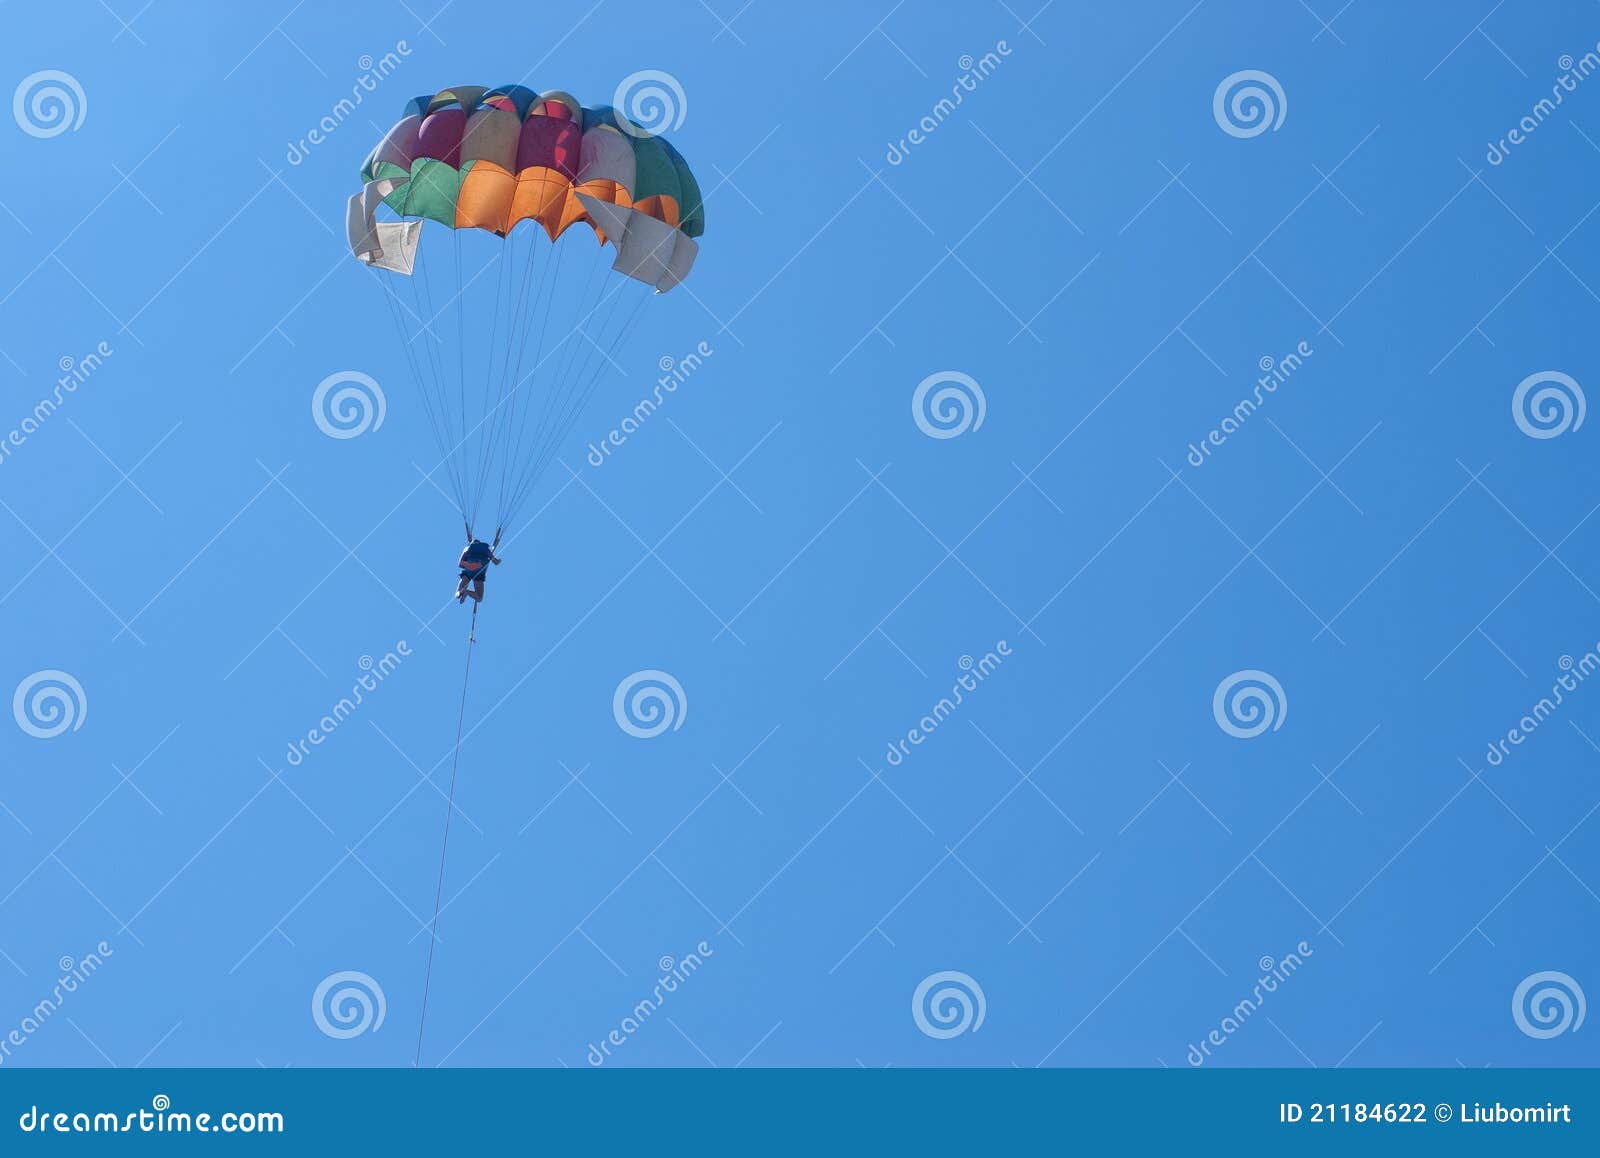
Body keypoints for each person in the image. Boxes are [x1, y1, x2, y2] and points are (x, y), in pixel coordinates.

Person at [456, 536, 501, 604]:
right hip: (479, 573)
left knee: (458, 594)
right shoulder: (486, 549)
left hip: (468, 570)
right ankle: (467, 592)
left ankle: (462, 592)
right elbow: (496, 562)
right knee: (479, 598)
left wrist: (468, 566)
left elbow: (460, 564)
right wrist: (499, 561)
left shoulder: (467, 549)